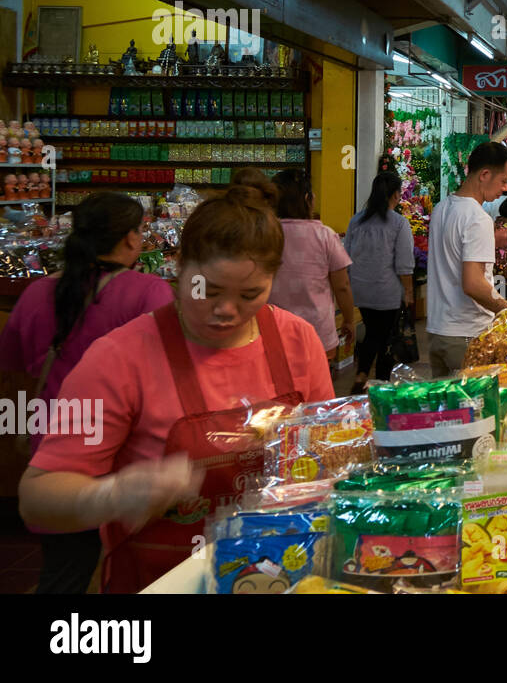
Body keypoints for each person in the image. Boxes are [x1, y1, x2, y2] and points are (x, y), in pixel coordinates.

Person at [19, 183, 334, 593]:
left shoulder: (297, 339)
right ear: (179, 264)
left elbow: (329, 455)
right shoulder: (118, 357)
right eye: (209, 290)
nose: (226, 310)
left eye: (250, 294)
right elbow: (37, 498)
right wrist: (113, 494)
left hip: (279, 575)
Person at [0, 192, 174, 594]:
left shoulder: (35, 294)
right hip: (126, 459)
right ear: (132, 238)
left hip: (54, 458)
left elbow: (12, 365)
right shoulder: (150, 293)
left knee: (63, 576)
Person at [425, 141, 507, 372]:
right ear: (485, 174)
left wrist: (493, 240)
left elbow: (453, 252)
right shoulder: (478, 218)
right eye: (503, 181)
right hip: (467, 334)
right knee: (474, 407)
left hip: (439, 331)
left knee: (449, 408)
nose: (505, 188)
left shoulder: (442, 208)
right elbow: (473, 284)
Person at [268, 169, 356, 367]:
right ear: (308, 198)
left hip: (272, 331)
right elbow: (342, 286)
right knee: (316, 392)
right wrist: (349, 320)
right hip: (317, 334)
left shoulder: (264, 233)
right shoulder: (325, 235)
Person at [343, 172, 415, 390]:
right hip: (387, 293)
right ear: (396, 194)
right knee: (385, 338)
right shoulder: (398, 223)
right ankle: (380, 382)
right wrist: (409, 292)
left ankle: (362, 374)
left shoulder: (356, 220)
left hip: (361, 290)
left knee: (373, 331)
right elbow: (404, 264)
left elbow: (346, 256)